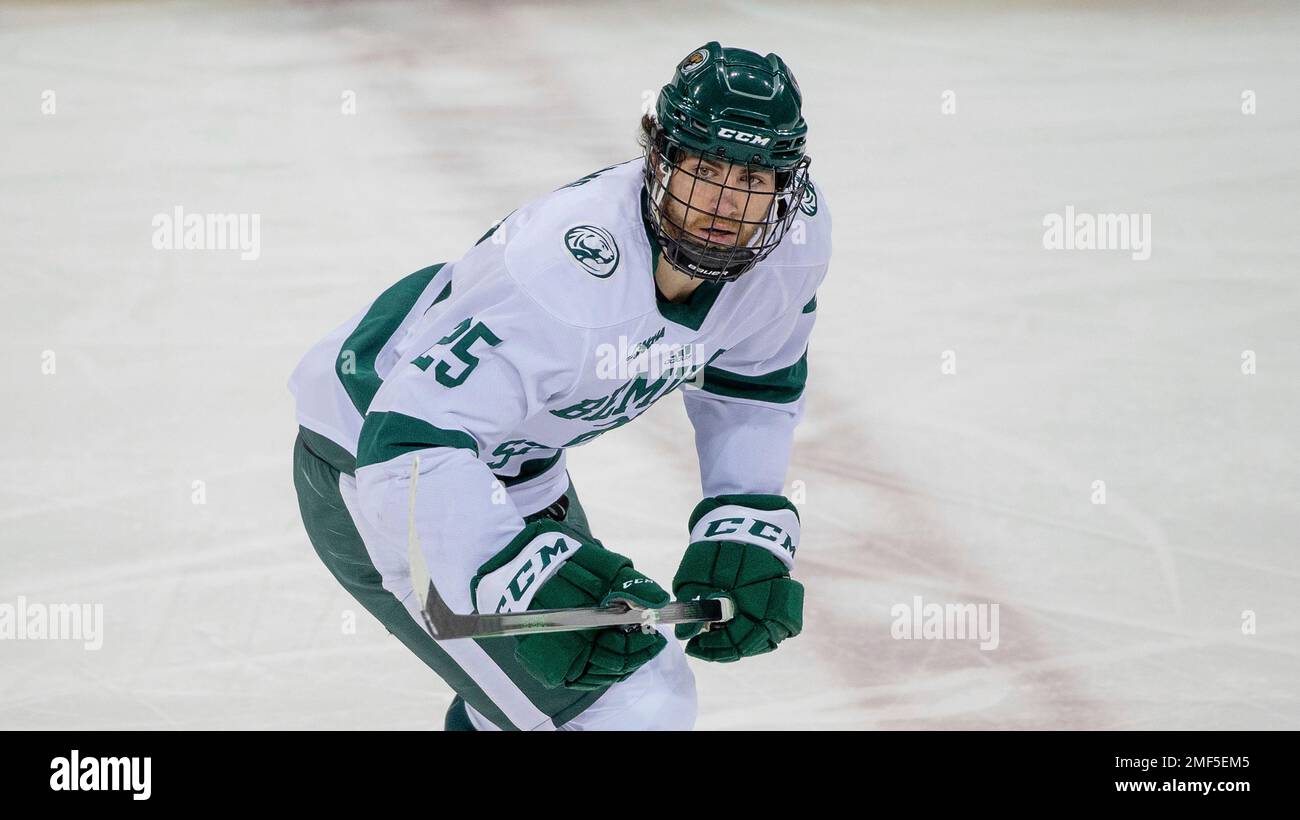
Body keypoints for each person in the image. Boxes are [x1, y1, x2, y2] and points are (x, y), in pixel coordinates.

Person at [289, 41, 831, 730]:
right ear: (658, 160)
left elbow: (752, 381)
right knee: (633, 701)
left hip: (512, 463)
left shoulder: (794, 249)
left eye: (753, 178)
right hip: (373, 467)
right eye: (704, 169)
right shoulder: (567, 266)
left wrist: (741, 518)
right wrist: (513, 579)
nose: (725, 203)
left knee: (569, 682)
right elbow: (407, 437)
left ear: (787, 185)